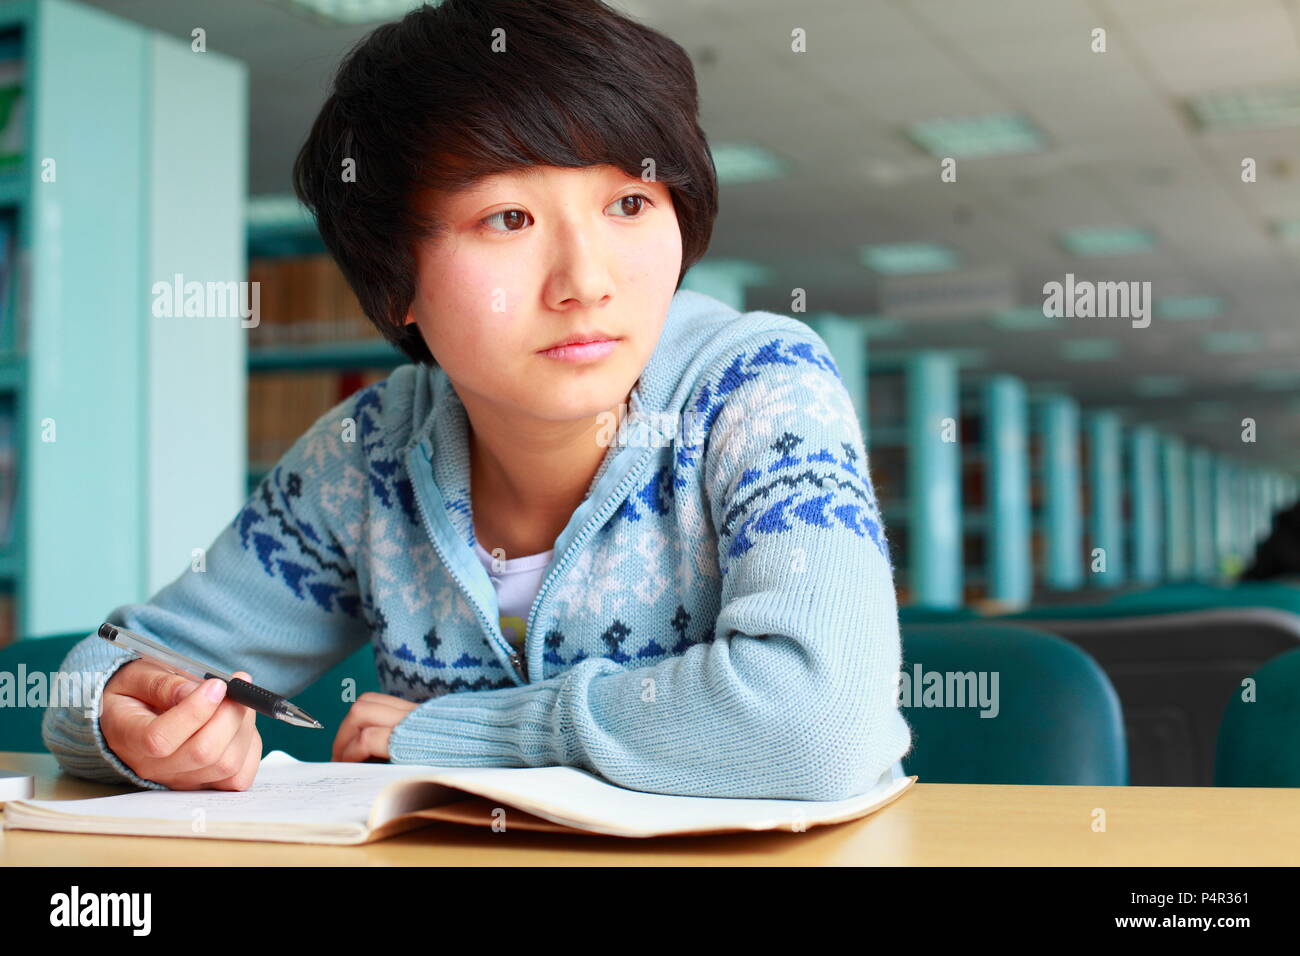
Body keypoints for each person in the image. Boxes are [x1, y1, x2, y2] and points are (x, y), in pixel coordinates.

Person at [43, 0, 909, 800]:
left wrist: (462, 734)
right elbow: (105, 670)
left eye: (630, 202)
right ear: (397, 286)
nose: (586, 281)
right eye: (507, 219)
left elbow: (819, 726)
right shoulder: (366, 458)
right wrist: (132, 722)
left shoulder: (757, 389)